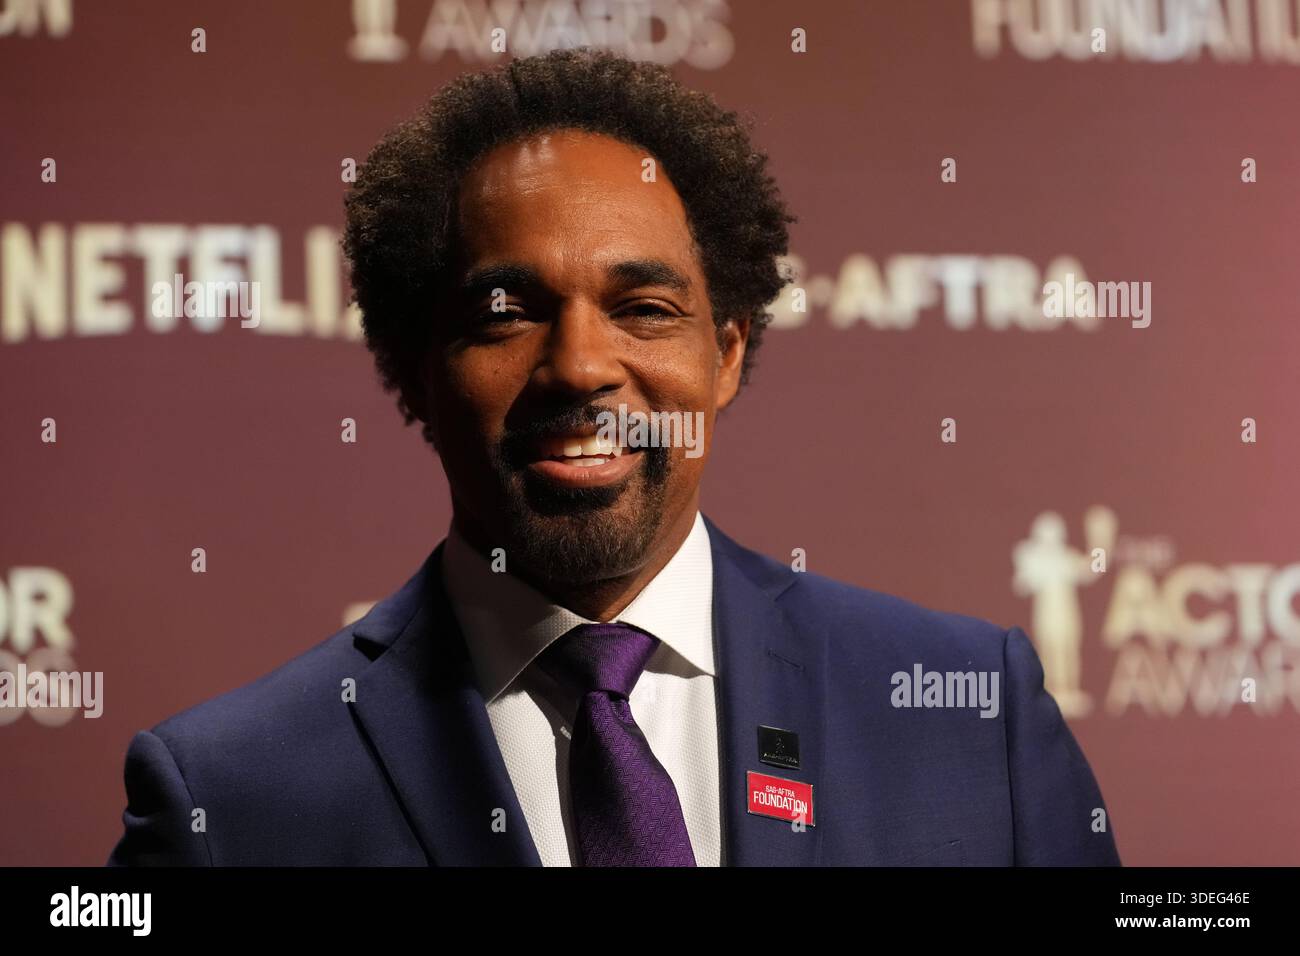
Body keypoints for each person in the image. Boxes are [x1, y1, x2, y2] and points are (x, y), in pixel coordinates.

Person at [108, 47, 1120, 867]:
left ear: (724, 353)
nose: (581, 365)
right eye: (506, 314)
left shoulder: (968, 709)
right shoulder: (228, 796)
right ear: (413, 371)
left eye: (642, 309)